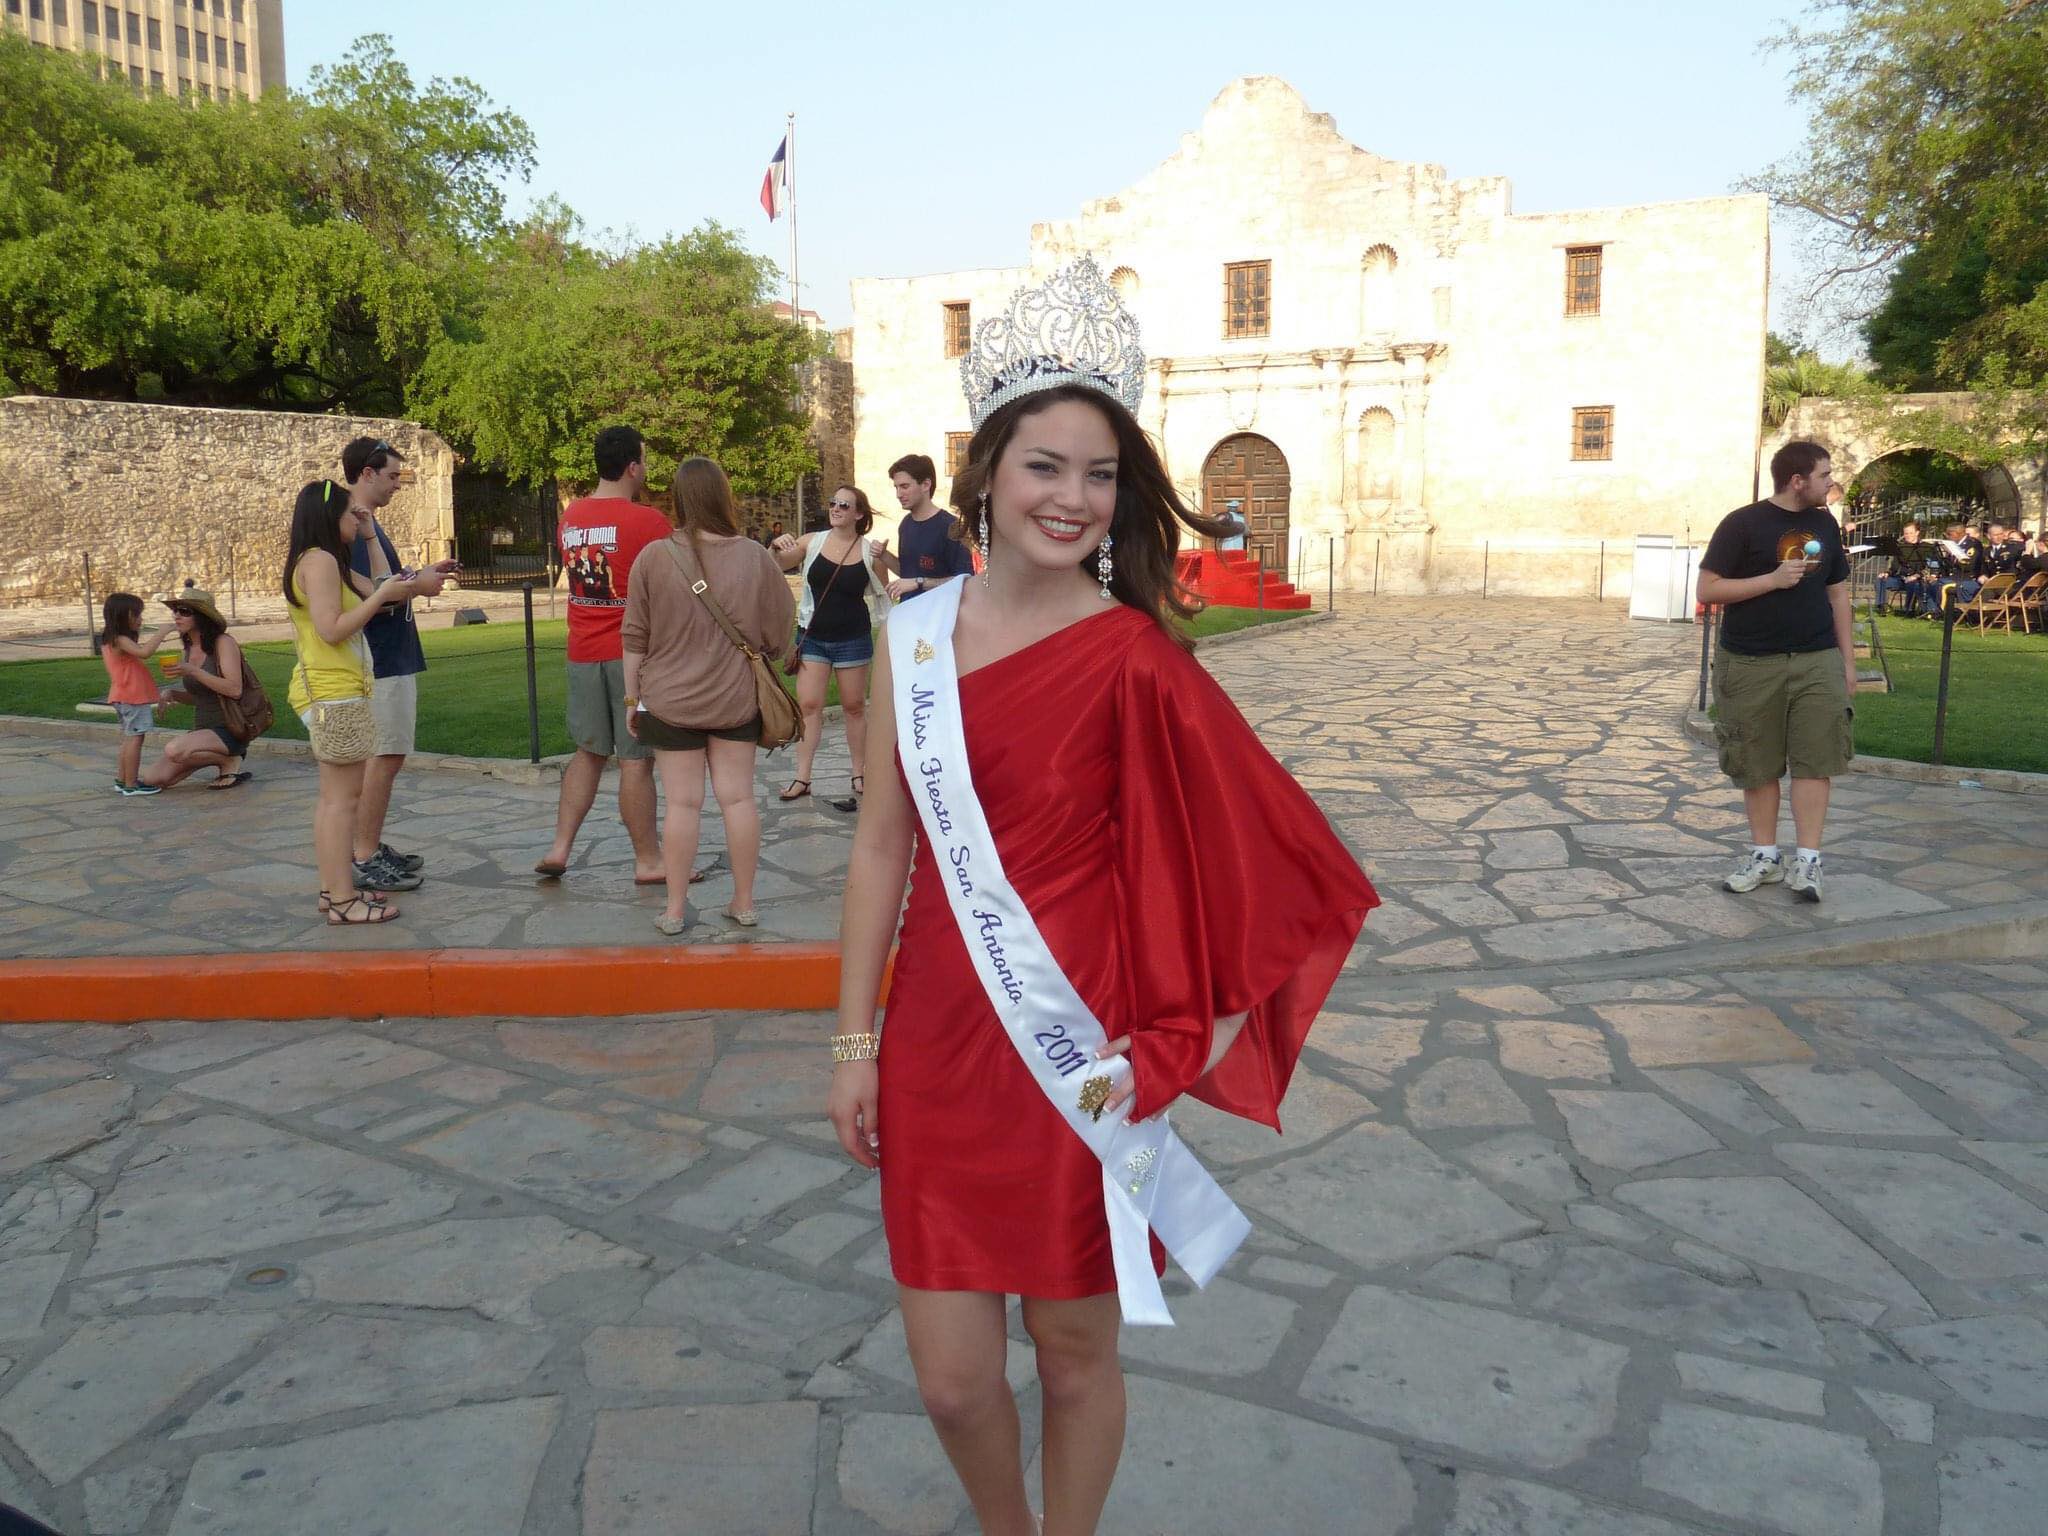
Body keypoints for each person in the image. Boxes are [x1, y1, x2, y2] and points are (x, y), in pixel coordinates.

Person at [827, 256, 1378, 1536]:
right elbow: (878, 854)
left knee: (1075, 1356)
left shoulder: (1132, 659)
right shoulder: (914, 638)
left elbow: (1268, 856)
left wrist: (1189, 1032)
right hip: (938, 1043)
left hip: (1074, 1056)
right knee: (956, 1387)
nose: (1071, 498)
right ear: (986, 473)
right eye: (1043, 466)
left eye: (1098, 474)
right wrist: (852, 1037)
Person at [622, 457, 795, 935]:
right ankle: (743, 902)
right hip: (736, 699)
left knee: (682, 805)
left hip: (670, 702)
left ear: (678, 499)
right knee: (738, 800)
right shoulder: (755, 557)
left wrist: (630, 698)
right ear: (724, 496)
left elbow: (634, 636)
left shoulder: (654, 557)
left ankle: (675, 909)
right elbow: (781, 632)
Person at [1698, 440, 1854, 903]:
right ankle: (1765, 857)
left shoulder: (1824, 523)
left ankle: (1808, 863)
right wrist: (1771, 579)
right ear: (1797, 480)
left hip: (1816, 660)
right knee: (1756, 763)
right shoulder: (1742, 524)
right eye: (1824, 476)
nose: (1831, 483)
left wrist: (1847, 663)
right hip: (1749, 662)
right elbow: (1708, 587)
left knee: (1816, 759)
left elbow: (1839, 594)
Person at [535, 425, 671, 886]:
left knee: (587, 753)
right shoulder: (648, 522)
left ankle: (559, 847)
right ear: (633, 466)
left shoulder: (570, 518)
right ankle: (649, 860)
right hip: (631, 656)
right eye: (645, 461)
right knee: (636, 760)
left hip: (582, 650)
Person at [283, 480, 412, 925]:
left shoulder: (322, 561)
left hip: (338, 690)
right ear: (328, 518)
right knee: (342, 800)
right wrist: (378, 597)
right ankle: (342, 899)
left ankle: (333, 889)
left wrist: (372, 535)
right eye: (348, 515)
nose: (353, 524)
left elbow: (384, 586)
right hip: (335, 693)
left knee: (333, 799)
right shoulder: (319, 562)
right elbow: (332, 629)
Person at [340, 437, 461, 895]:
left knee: (388, 755)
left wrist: (421, 574)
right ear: (366, 474)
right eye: (391, 476)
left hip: (392, 652)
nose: (396, 485)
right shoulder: (350, 526)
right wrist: (419, 586)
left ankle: (366, 845)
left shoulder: (366, 525)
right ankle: (363, 853)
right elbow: (371, 591)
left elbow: (383, 583)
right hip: (380, 657)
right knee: (385, 755)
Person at [771, 486, 898, 809]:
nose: (836, 508)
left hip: (852, 640)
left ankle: (859, 772)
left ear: (859, 514)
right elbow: (777, 564)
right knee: (809, 705)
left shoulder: (869, 551)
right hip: (812, 637)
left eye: (844, 505)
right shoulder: (811, 542)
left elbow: (886, 594)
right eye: (833, 503)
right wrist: (775, 547)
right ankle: (803, 777)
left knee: (854, 707)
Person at [139, 588, 256, 792]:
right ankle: (218, 758)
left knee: (174, 749)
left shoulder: (223, 643)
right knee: (152, 778)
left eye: (184, 611)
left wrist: (192, 670)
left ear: (201, 616)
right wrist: (173, 694)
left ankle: (230, 761)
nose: (176, 615)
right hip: (203, 731)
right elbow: (202, 697)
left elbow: (234, 689)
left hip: (231, 728)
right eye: (175, 610)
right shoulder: (188, 648)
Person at [99, 593, 176, 796]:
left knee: (129, 738)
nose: (141, 619)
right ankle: (132, 785)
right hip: (131, 698)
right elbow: (145, 653)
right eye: (137, 615)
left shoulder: (112, 639)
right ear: (124, 616)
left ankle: (123, 780)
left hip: (123, 696)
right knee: (135, 739)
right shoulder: (120, 639)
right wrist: (162, 632)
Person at [888, 452, 977, 600]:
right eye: (896, 487)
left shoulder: (952, 527)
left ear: (926, 485)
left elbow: (965, 582)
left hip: (941, 618)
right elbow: (908, 573)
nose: (898, 494)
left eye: (904, 486)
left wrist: (919, 583)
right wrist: (883, 556)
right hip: (909, 615)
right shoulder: (905, 524)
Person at [1879, 521, 1933, 615]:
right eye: (1906, 533)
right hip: (1901, 579)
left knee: (1913, 584)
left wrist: (1916, 576)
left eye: (1910, 533)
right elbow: (1894, 567)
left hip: (1916, 579)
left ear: (1917, 533)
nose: (1908, 535)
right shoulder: (1900, 547)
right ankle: (1882, 607)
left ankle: (1908, 609)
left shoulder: (1926, 547)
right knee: (1881, 580)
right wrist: (1887, 573)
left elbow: (1929, 567)